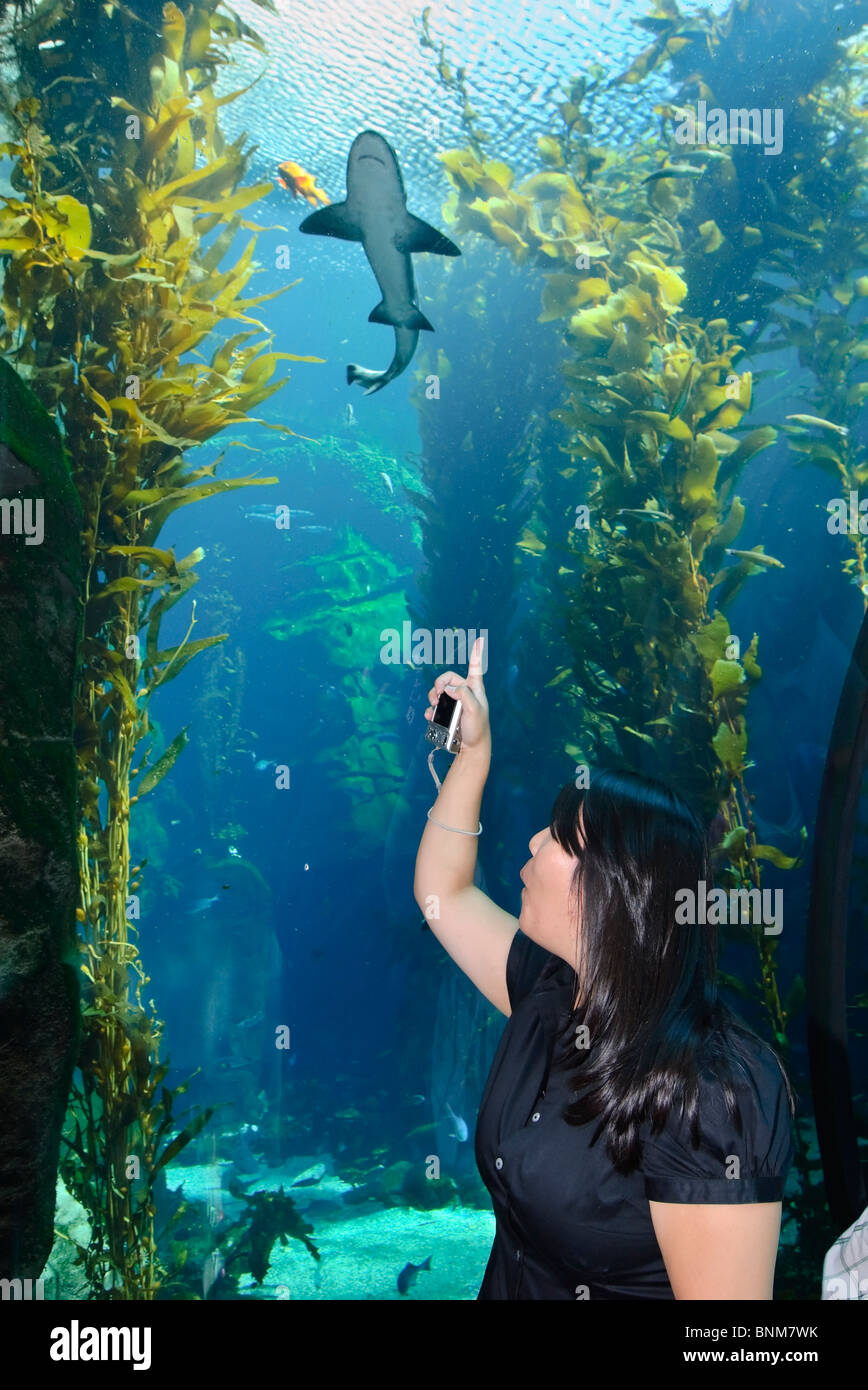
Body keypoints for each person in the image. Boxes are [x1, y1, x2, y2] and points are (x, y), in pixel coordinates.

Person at [413, 637, 796, 1300]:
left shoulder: (713, 1093)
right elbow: (444, 892)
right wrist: (471, 754)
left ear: (616, 891)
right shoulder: (552, 991)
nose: (533, 842)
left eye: (560, 838)